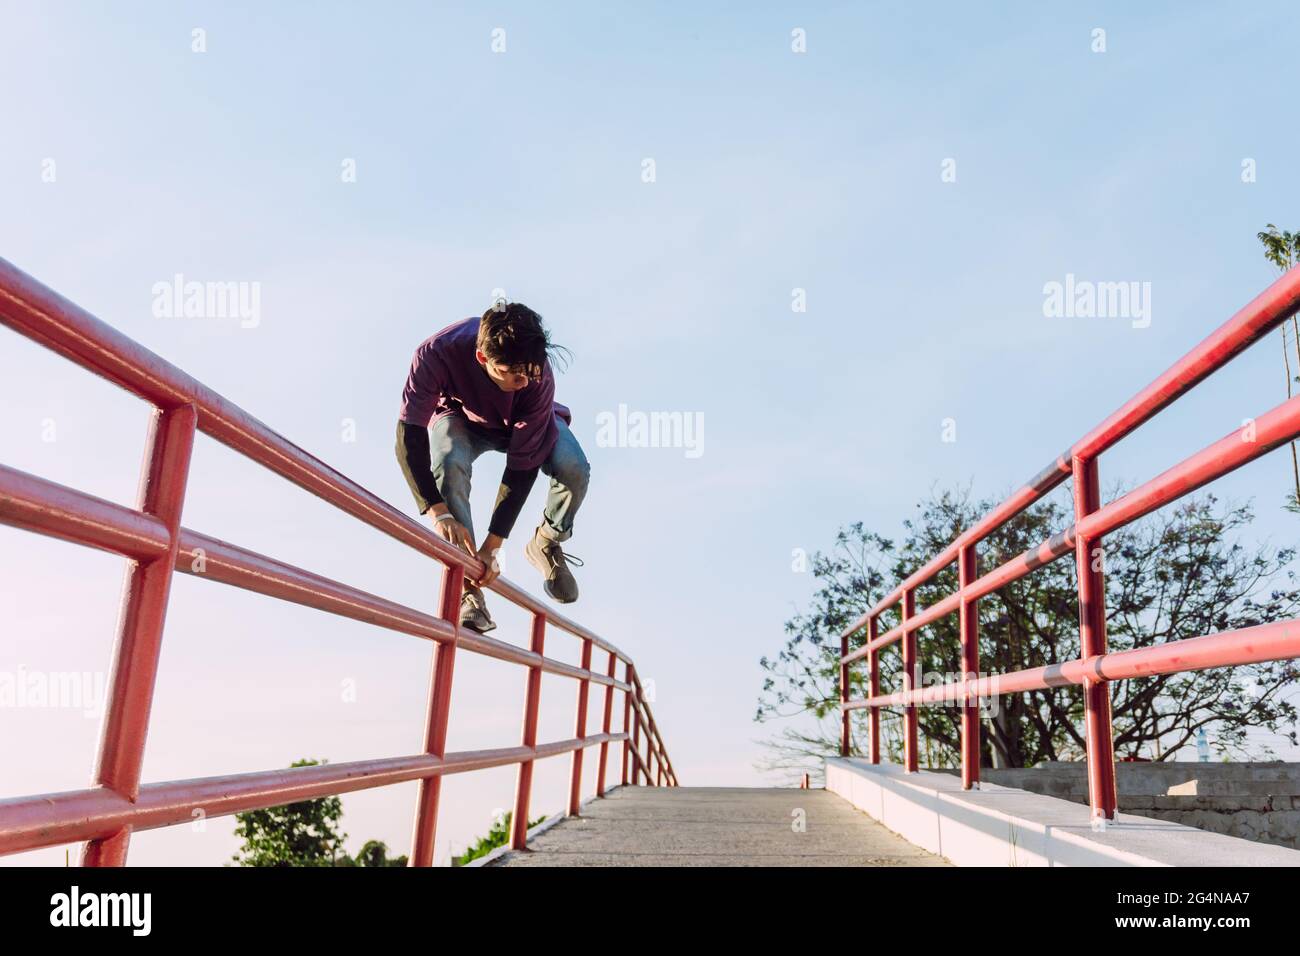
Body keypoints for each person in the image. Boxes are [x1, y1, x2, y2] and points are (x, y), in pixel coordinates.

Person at [394, 303, 589, 633]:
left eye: (529, 373)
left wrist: (492, 548)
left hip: (525, 424)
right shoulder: (436, 353)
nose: (522, 381)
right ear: (483, 359)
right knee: (449, 459)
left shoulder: (535, 380)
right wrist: (438, 513)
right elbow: (408, 436)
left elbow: (522, 465)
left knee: (574, 468)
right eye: (511, 374)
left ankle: (546, 540)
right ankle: (467, 589)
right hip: (462, 418)